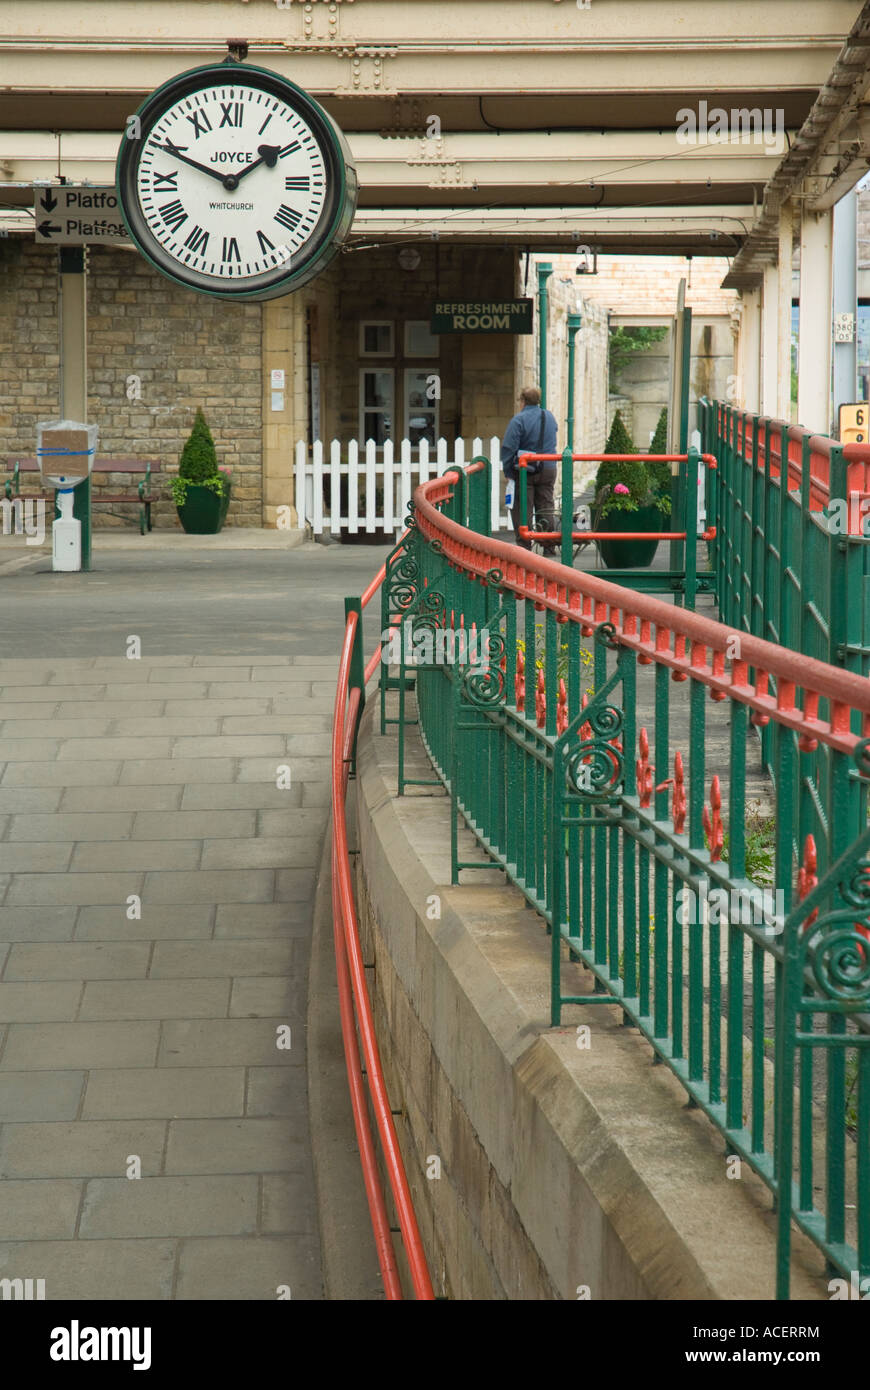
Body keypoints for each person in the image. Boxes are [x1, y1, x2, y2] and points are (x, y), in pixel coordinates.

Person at [500, 386, 558, 557]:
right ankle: (549, 545)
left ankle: (524, 546)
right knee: (546, 505)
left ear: (523, 401)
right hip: (548, 467)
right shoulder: (549, 417)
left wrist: (508, 470)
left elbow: (509, 447)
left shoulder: (519, 420)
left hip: (527, 469)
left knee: (522, 506)